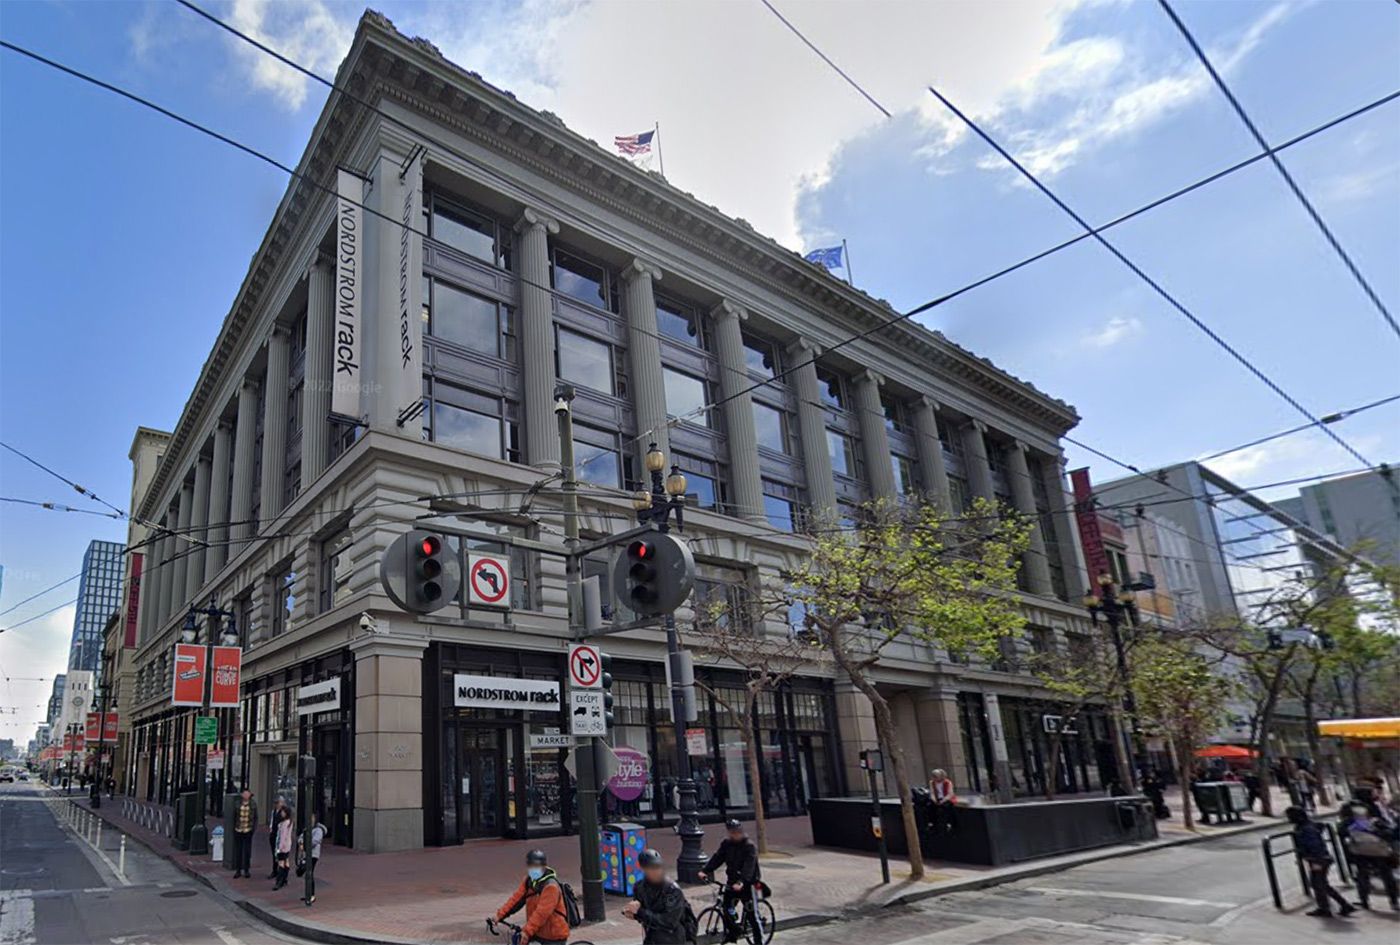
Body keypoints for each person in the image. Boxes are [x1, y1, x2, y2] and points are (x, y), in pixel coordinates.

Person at [699, 819, 761, 944]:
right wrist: (706, 870)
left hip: (748, 884)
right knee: (726, 907)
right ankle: (733, 933)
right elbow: (718, 858)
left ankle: (758, 941)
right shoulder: (726, 844)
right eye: (731, 832)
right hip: (732, 881)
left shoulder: (749, 846)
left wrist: (742, 881)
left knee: (752, 915)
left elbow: (749, 867)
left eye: (736, 832)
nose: (733, 834)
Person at [490, 849, 571, 945]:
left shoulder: (551, 886)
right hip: (537, 932)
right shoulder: (529, 881)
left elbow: (541, 913)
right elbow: (516, 900)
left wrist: (527, 931)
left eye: (537, 866)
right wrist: (499, 915)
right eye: (531, 866)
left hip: (553, 936)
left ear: (544, 866)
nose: (533, 869)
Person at [1287, 806, 1355, 918]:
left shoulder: (1306, 829)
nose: (1288, 818)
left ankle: (1329, 907)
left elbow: (1314, 846)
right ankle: (1339, 905)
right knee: (1320, 883)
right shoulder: (1306, 826)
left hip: (1318, 859)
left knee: (1318, 883)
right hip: (1319, 858)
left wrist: (1315, 860)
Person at [622, 849, 693, 944]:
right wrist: (632, 912)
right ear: (643, 868)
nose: (656, 871)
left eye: (658, 867)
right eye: (651, 868)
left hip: (672, 939)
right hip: (651, 937)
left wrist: (640, 912)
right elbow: (642, 912)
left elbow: (670, 921)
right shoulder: (639, 887)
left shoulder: (672, 889)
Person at [1339, 803, 1399, 911]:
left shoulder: (1347, 823)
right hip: (1379, 851)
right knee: (1387, 876)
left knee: (1362, 875)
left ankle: (1364, 901)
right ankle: (1394, 902)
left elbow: (1342, 834)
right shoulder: (1374, 821)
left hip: (1360, 852)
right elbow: (1389, 833)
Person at [299, 811, 327, 906]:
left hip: (313, 854)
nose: (311, 820)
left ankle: (312, 894)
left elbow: (315, 841)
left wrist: (306, 844)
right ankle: (308, 893)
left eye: (312, 818)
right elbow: (301, 836)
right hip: (306, 854)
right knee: (307, 873)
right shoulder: (308, 828)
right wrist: (301, 842)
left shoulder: (318, 830)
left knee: (310, 873)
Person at [231, 789, 258, 879]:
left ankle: (246, 870)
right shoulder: (237, 804)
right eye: (245, 794)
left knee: (247, 851)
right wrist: (234, 827)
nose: (246, 795)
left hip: (248, 830)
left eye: (248, 794)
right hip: (238, 829)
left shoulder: (253, 804)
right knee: (238, 851)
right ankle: (238, 870)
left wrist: (253, 829)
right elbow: (234, 816)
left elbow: (255, 817)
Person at [929, 768, 957, 835]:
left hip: (946, 798)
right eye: (934, 776)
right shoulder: (932, 783)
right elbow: (932, 793)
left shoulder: (947, 782)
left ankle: (947, 824)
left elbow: (950, 794)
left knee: (943, 809)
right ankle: (932, 823)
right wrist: (934, 799)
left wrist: (943, 801)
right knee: (930, 806)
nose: (935, 778)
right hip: (937, 798)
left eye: (936, 776)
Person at [272, 806, 294, 890]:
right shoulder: (290, 822)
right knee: (286, 861)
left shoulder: (284, 823)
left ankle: (279, 882)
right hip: (288, 845)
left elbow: (282, 836)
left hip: (282, 846)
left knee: (281, 863)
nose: (281, 813)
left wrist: (280, 847)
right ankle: (284, 879)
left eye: (283, 812)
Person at [266, 797, 287, 879]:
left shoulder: (284, 812)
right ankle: (275, 870)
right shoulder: (274, 811)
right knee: (274, 854)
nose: (277, 804)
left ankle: (281, 872)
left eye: (279, 803)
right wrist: (271, 829)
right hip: (274, 835)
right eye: (277, 803)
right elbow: (272, 821)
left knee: (280, 855)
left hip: (280, 836)